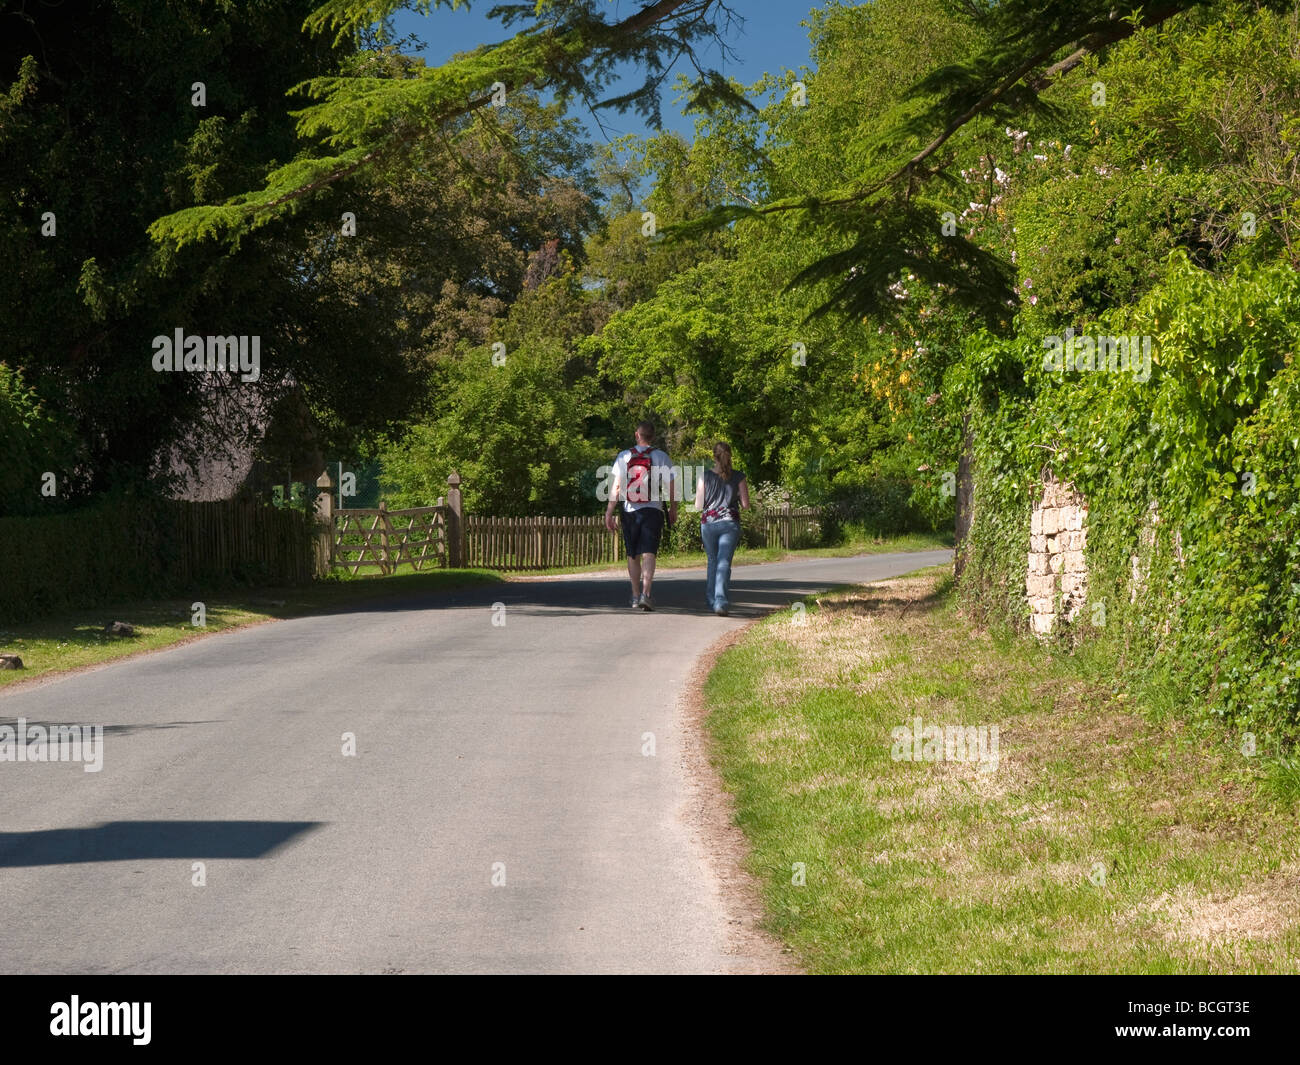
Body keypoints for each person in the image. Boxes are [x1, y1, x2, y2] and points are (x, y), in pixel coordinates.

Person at [605, 421, 677, 610]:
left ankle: (635, 596)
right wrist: (673, 509)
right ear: (652, 436)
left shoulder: (624, 456)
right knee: (649, 552)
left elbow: (616, 487)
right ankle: (647, 593)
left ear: (637, 435)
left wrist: (609, 512)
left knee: (632, 554)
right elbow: (671, 487)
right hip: (653, 510)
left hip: (630, 511)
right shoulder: (661, 456)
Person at [696, 442, 748, 616]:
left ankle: (712, 599)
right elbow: (746, 505)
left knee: (712, 560)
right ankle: (720, 601)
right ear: (730, 456)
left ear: (714, 456)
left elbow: (698, 505)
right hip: (729, 523)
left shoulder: (704, 477)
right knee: (724, 561)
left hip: (708, 523)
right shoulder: (739, 476)